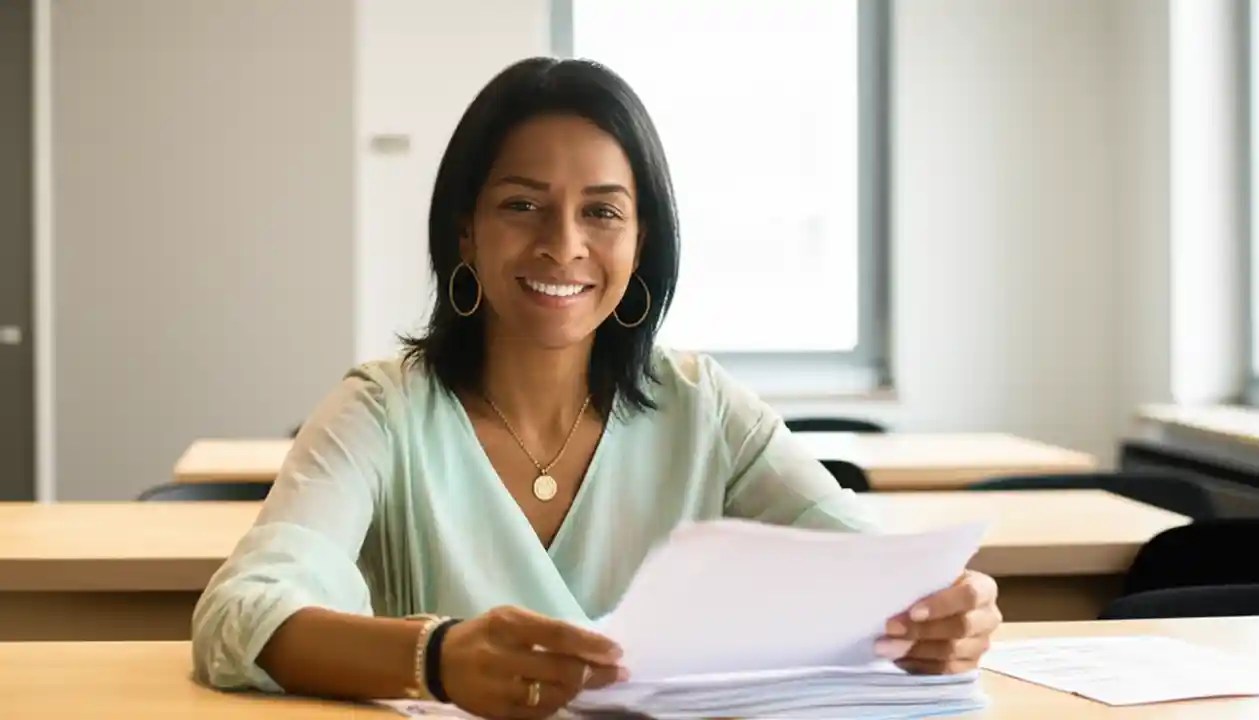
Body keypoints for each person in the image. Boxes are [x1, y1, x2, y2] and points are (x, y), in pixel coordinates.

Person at [192, 57, 1002, 719]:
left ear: (642, 237)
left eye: (603, 212)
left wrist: (950, 613)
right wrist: (434, 659)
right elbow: (240, 616)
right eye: (522, 205)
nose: (563, 244)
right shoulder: (383, 410)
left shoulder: (704, 406)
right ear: (464, 230)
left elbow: (880, 573)